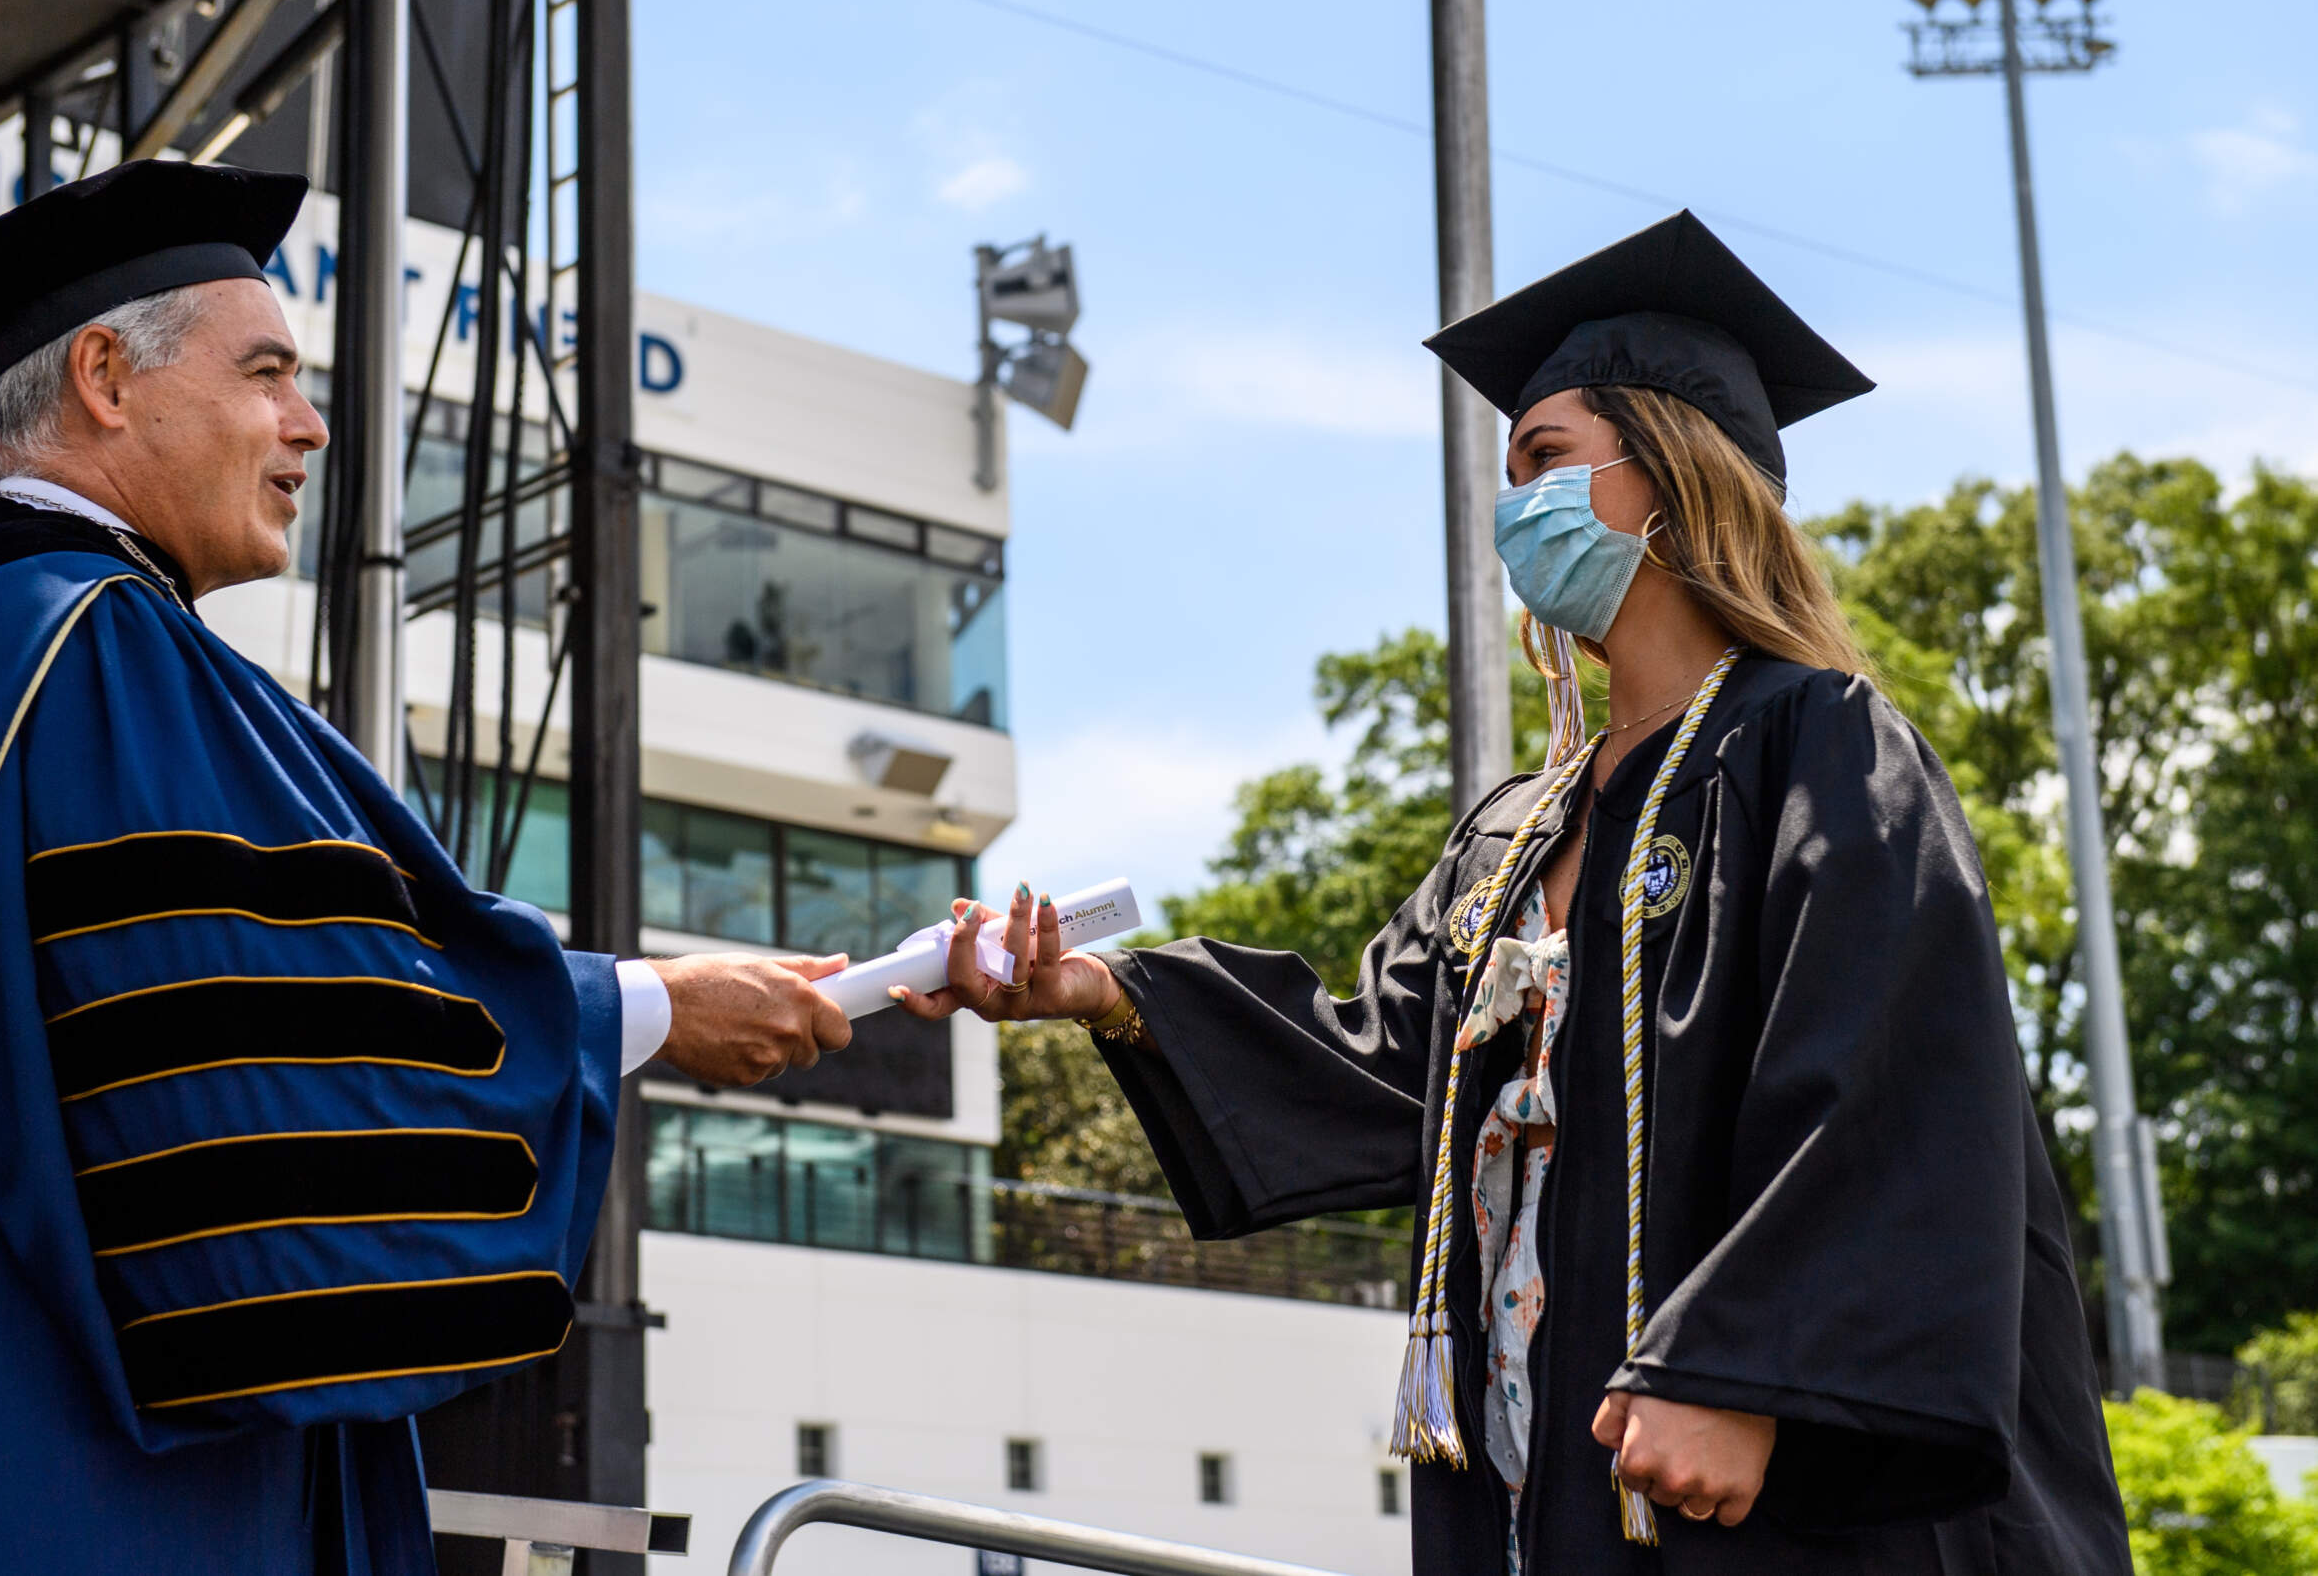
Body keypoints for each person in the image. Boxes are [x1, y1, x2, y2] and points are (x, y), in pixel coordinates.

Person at [899, 213, 2133, 1573]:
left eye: (1547, 460)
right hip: (1536, 1454)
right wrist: (1114, 994)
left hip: (1743, 1479)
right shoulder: (1514, 834)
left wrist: (1740, 1372)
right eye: (1509, 474)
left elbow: (1893, 1084)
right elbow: (1390, 1070)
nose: (1516, 507)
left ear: (1669, 475)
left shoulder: (1817, 747)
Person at [0, 160, 851, 1572]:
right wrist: (648, 1007)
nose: (308, 426)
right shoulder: (85, 653)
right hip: (59, 1483)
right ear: (108, 378)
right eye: (266, 375)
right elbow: (279, 1051)